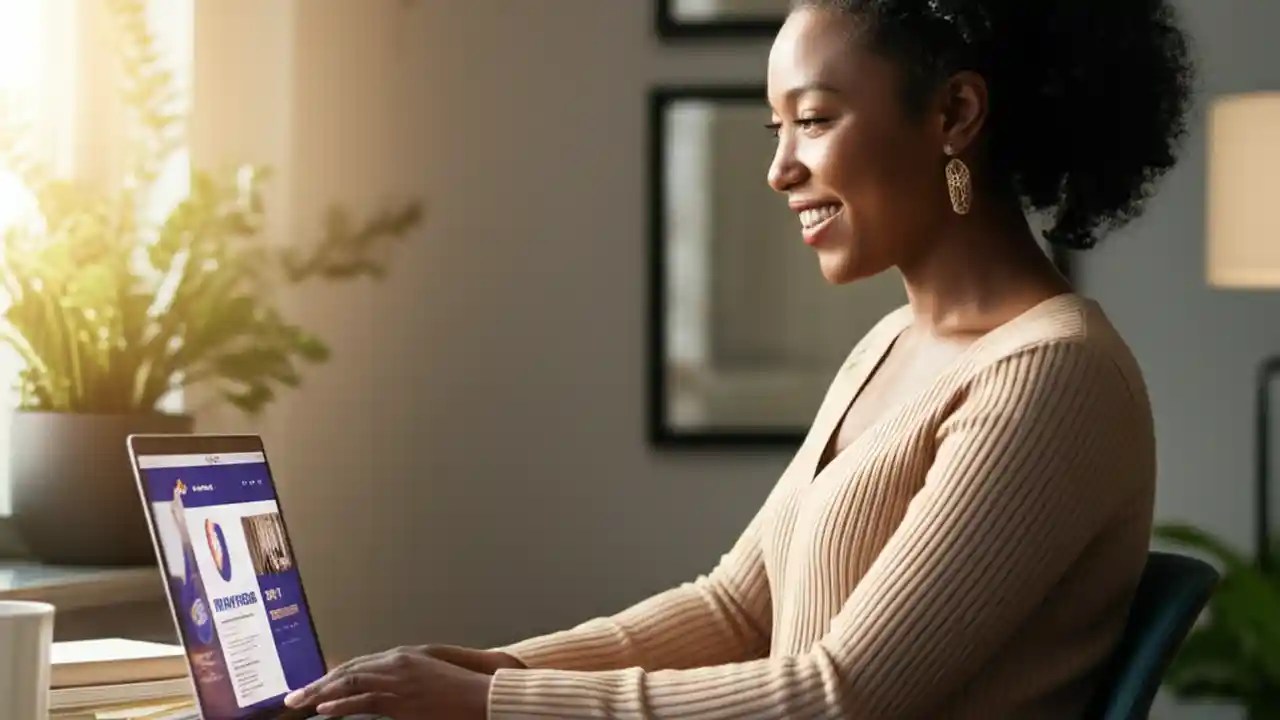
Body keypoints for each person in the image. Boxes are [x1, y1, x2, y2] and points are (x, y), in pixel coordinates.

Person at [284, 0, 1193, 717]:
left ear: (955, 112)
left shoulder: (1053, 375)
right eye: (776, 130)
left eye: (815, 120)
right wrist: (495, 667)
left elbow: (844, 695)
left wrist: (490, 704)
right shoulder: (890, 345)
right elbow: (737, 609)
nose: (780, 169)